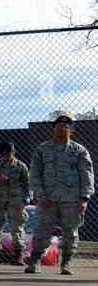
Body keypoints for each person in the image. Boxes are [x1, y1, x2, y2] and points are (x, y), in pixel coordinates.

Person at [27, 113, 94, 276]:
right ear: (53, 129)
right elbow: (34, 174)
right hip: (47, 199)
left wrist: (85, 197)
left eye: (65, 127)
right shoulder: (42, 149)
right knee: (42, 230)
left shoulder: (79, 151)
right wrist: (40, 194)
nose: (61, 129)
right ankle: (35, 261)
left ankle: (66, 263)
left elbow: (87, 174)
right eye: (58, 126)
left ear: (72, 130)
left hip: (72, 200)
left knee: (70, 232)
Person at [0, 141, 30, 265]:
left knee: (17, 228)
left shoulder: (21, 167)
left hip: (15, 202)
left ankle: (19, 255)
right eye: (3, 153)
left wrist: (24, 201)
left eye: (8, 153)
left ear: (13, 152)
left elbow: (28, 185)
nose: (6, 155)